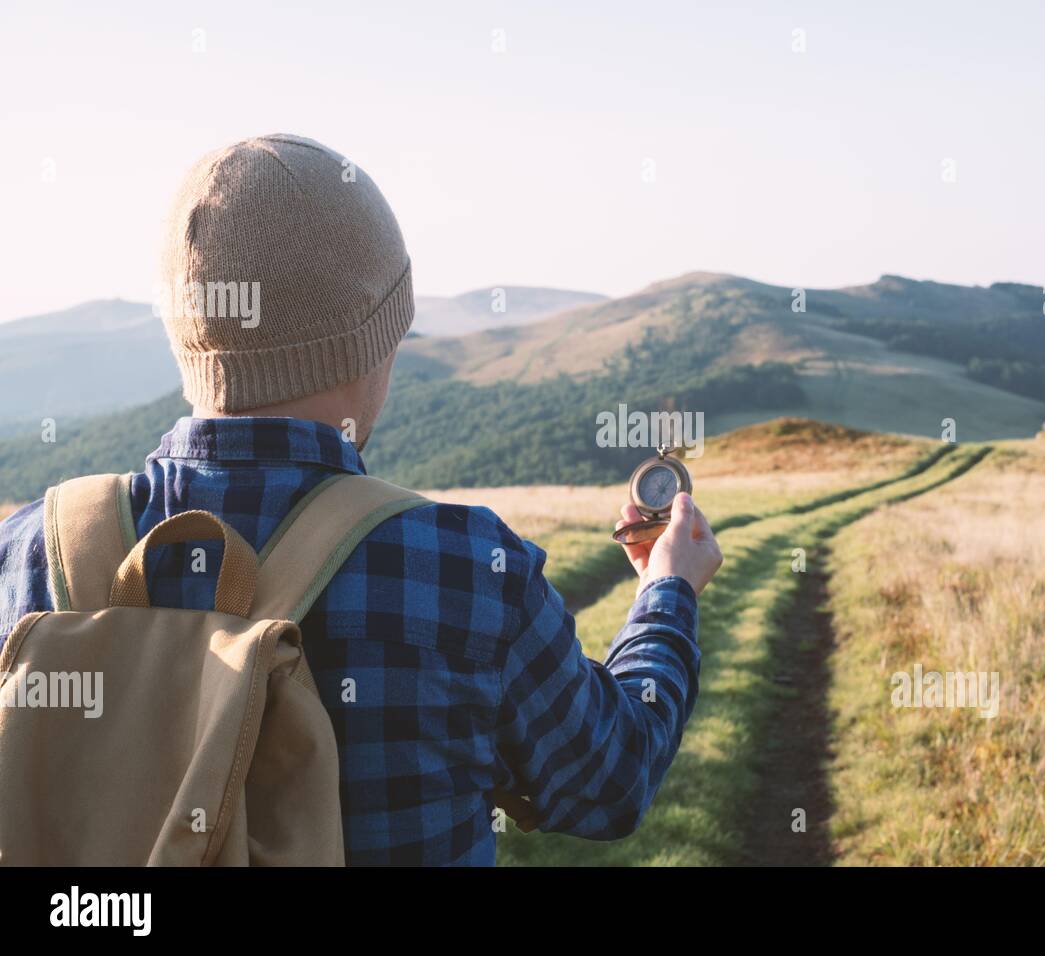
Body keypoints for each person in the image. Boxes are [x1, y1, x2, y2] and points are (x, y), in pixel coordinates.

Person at [0, 134, 723, 865]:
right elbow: (613, 779)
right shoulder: (466, 569)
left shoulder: (27, 556)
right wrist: (668, 591)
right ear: (371, 343)